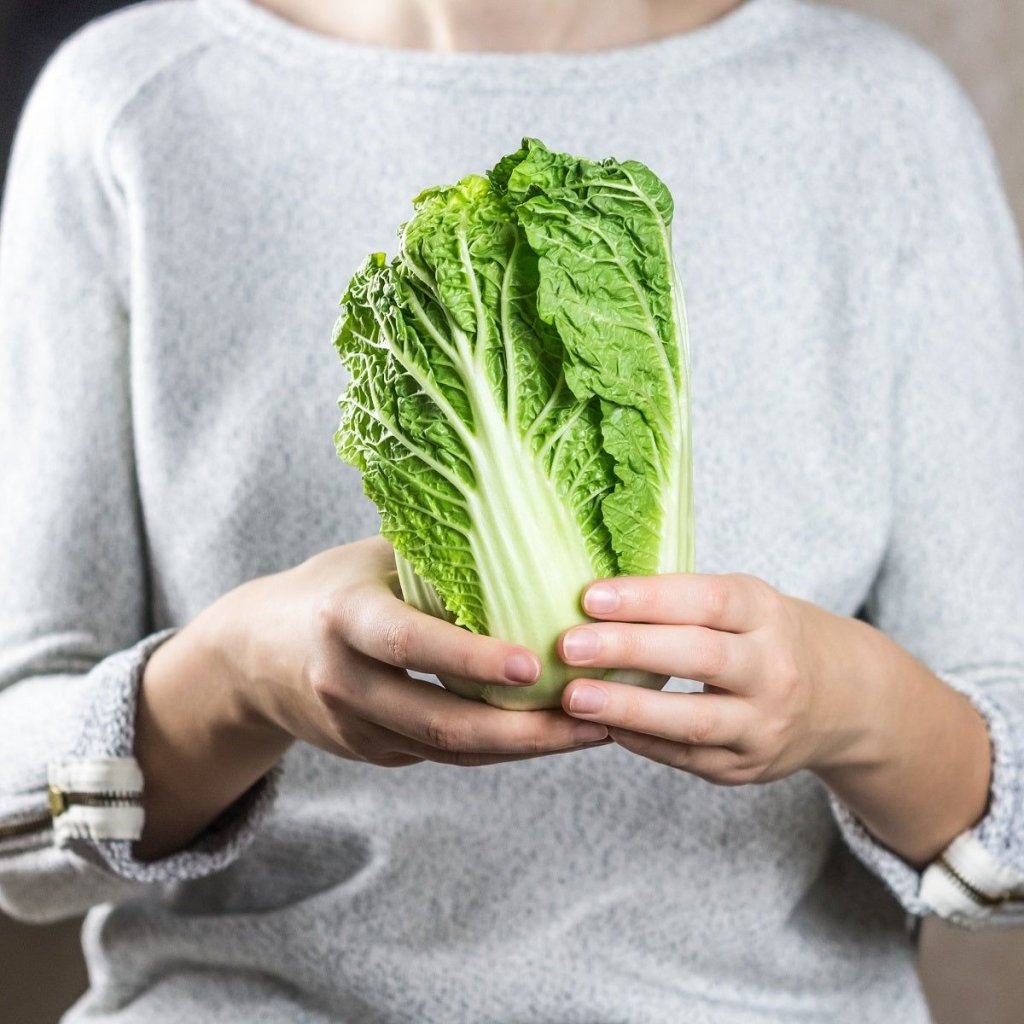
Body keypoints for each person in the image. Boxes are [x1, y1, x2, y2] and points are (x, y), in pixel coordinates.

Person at [1, 0, 1022, 1020]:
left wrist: (852, 705)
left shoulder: (883, 117)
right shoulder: (131, 99)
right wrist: (235, 679)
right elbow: (17, 820)